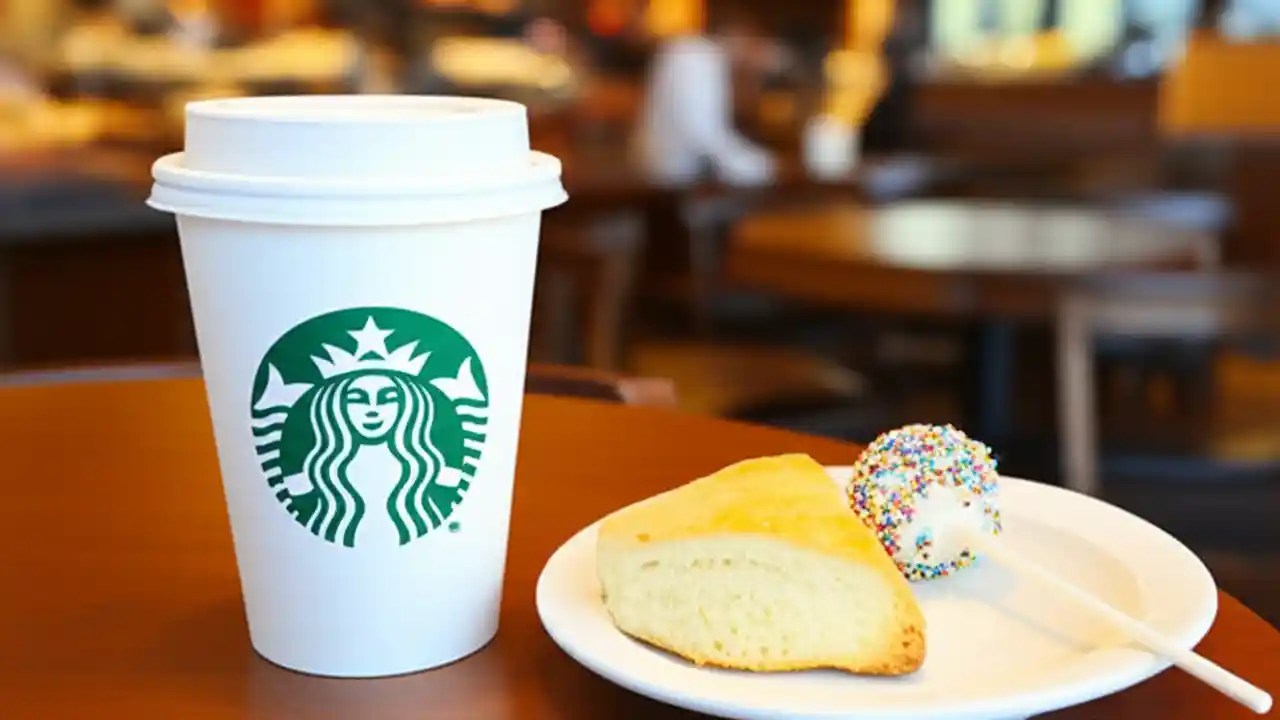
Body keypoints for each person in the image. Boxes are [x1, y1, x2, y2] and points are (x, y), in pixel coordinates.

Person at [634, 12, 776, 187]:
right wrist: (761, 167)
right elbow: (703, 134)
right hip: (671, 178)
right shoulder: (696, 57)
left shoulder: (692, 52)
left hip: (665, 170)